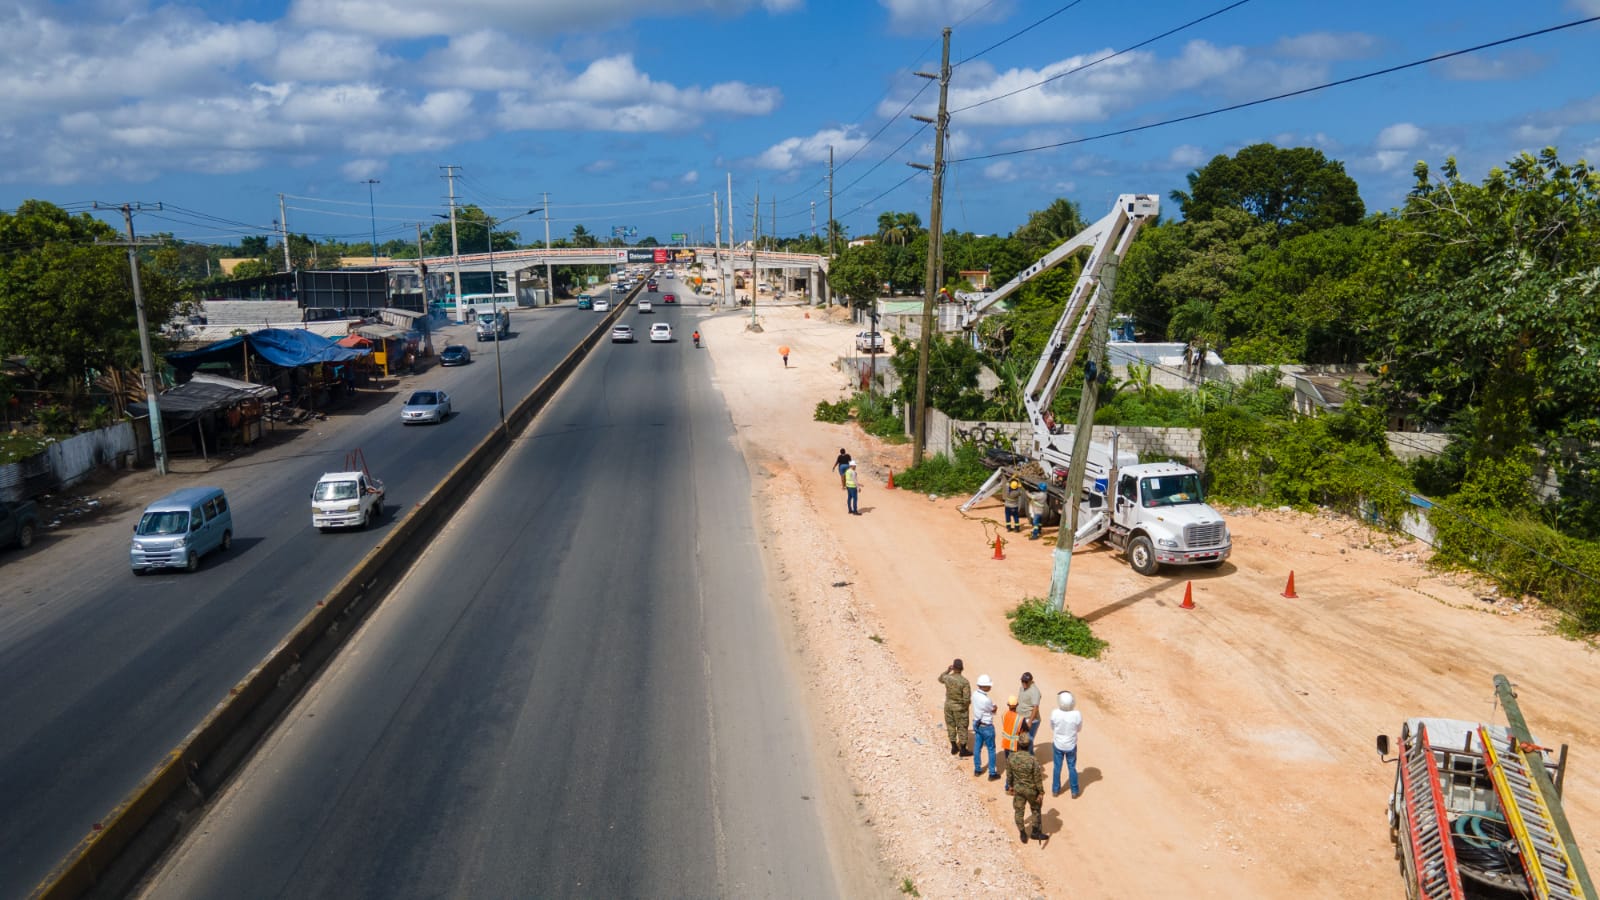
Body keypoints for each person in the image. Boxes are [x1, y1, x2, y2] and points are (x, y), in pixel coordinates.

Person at [1008, 732, 1046, 843]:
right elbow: (1037, 778)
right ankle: (1035, 832)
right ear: (1029, 745)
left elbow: (1009, 775)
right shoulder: (1033, 760)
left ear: (1018, 744)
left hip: (1018, 789)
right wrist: (1041, 792)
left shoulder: (1011, 757)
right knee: (1035, 809)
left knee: (1019, 811)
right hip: (1031, 790)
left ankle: (1022, 833)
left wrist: (1010, 786)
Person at [1051, 690, 1084, 798]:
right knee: (1072, 767)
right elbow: (1079, 729)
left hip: (1058, 744)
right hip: (1071, 745)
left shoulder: (1055, 713)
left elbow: (1052, 727)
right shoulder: (1076, 714)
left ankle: (1055, 790)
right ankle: (1074, 791)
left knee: (1057, 767)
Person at [939, 659, 972, 757]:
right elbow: (966, 699)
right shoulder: (965, 682)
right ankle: (963, 750)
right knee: (962, 727)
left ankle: (953, 746)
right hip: (960, 708)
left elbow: (940, 679)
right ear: (962, 669)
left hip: (948, 706)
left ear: (953, 667)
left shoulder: (948, 678)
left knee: (950, 725)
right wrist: (965, 707)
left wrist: (948, 670)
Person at [971, 674, 999, 780]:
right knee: (991, 749)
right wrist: (995, 707)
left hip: (977, 723)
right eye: (989, 685)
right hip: (987, 726)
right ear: (984, 686)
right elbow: (993, 709)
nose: (990, 687)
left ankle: (977, 769)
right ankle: (992, 773)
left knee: (977, 747)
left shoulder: (974, 694)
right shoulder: (986, 700)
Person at [999, 695, 1022, 792]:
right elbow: (1023, 731)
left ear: (1008, 705)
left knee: (1008, 765)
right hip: (1014, 745)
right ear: (1017, 705)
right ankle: (1011, 786)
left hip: (1006, 743)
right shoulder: (1020, 718)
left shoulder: (1004, 714)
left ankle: (1008, 785)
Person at [1016, 672, 1043, 743]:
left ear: (1031, 681)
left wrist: (1030, 722)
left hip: (1031, 720)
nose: (1024, 683)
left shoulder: (1034, 692)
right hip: (1022, 718)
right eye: (1022, 681)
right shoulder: (1022, 688)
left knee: (1028, 742)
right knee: (1021, 740)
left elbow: (1035, 708)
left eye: (1026, 682)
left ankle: (1030, 754)